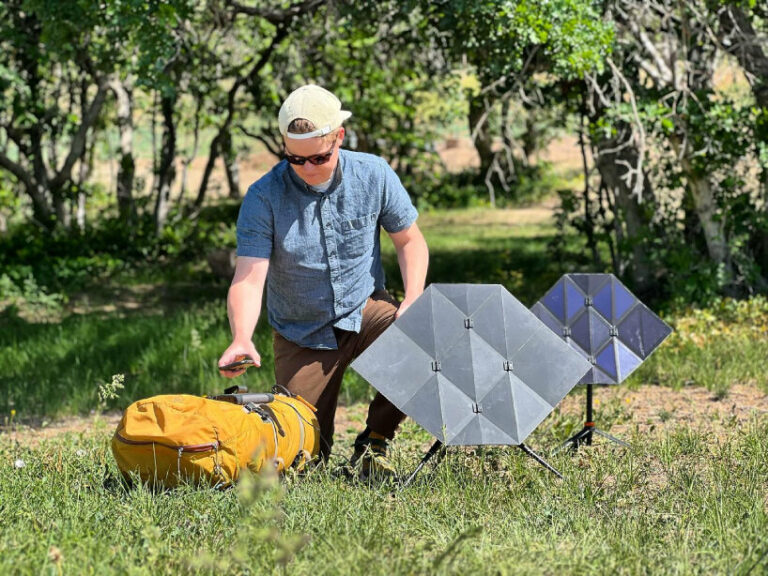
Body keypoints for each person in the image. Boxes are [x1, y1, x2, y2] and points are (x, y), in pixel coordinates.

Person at [217, 84, 429, 480]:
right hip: (302, 329)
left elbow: (410, 241)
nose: (308, 168)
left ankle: (375, 442)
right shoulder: (263, 196)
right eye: (295, 159)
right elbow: (248, 278)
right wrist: (241, 337)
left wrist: (413, 297)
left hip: (363, 308)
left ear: (339, 137)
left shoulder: (374, 173)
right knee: (305, 461)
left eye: (319, 156)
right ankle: (318, 446)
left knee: (421, 340)